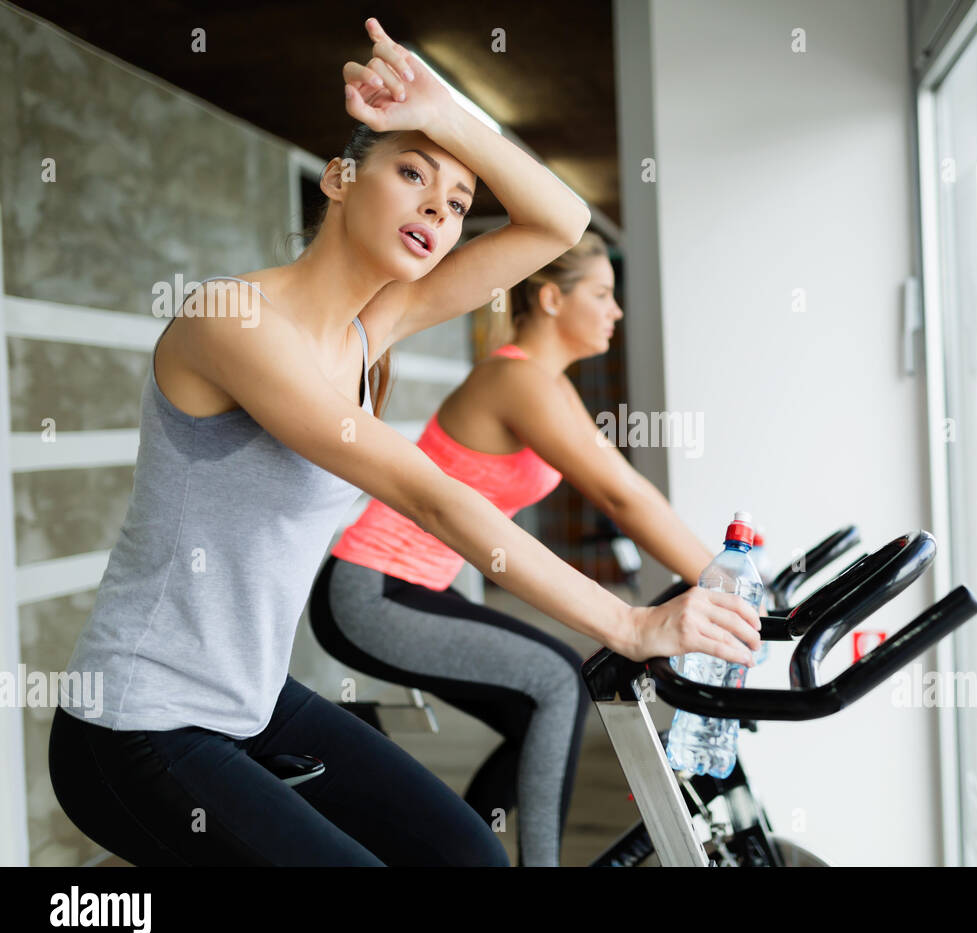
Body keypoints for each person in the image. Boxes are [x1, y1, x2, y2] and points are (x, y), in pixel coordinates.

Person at [47, 17, 760, 867]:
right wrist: (632, 623)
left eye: (458, 203)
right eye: (412, 172)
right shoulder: (232, 320)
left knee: (471, 859)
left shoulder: (365, 332)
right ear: (341, 180)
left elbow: (558, 222)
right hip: (136, 723)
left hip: (252, 701)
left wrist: (448, 119)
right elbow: (428, 494)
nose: (437, 206)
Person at [312, 231, 724, 866]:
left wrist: (721, 577)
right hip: (371, 589)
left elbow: (629, 487)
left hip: (416, 586)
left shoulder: (549, 384)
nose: (616, 311)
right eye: (603, 294)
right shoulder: (516, 379)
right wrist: (727, 584)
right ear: (553, 300)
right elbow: (620, 498)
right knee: (558, 680)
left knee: (538, 712)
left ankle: (456, 855)